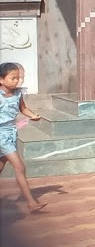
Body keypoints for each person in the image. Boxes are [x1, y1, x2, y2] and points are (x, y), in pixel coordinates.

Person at [0, 62, 47, 213]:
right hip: (1, 135)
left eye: (18, 78)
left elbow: (23, 108)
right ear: (1, 80)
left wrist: (33, 115)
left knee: (1, 166)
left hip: (11, 133)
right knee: (19, 166)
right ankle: (31, 203)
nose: (16, 81)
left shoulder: (18, 94)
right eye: (13, 78)